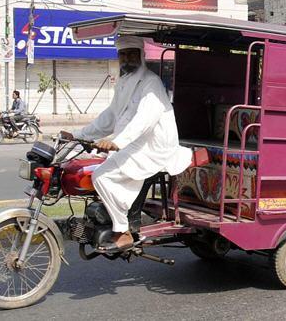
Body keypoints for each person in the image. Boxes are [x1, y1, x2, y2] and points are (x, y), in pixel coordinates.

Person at [61, 36, 191, 252]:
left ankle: (123, 232)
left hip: (154, 148)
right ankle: (106, 218)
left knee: (101, 176)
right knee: (94, 168)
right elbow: (110, 117)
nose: (127, 59)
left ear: (140, 55)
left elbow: (144, 121)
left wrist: (117, 142)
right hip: (133, 145)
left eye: (131, 54)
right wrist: (77, 134)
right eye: (123, 54)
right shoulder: (124, 82)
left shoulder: (150, 83)